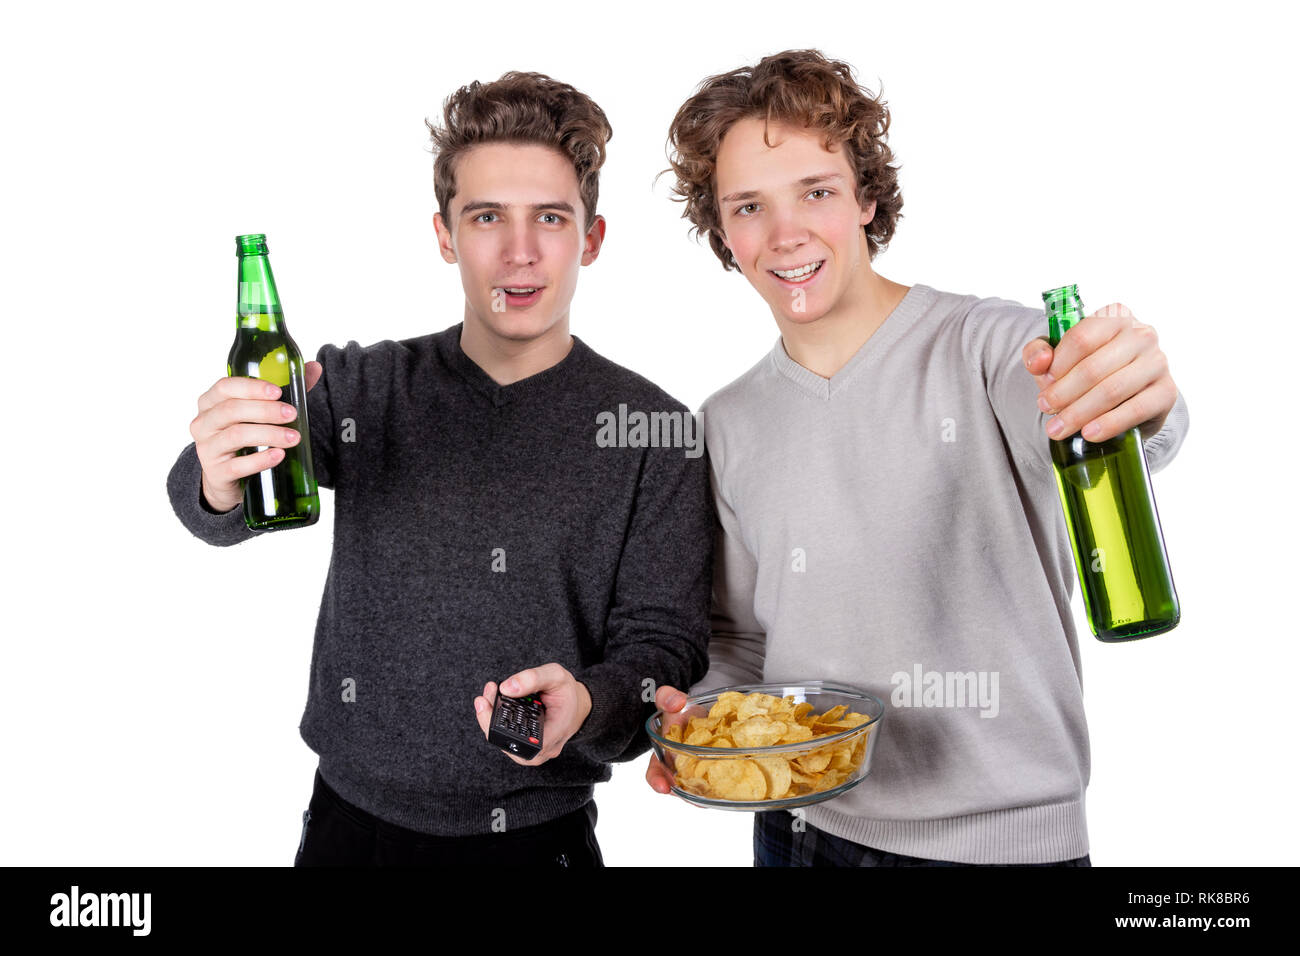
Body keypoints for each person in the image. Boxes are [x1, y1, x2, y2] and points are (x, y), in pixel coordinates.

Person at [645, 49, 1188, 867]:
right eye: (749, 206)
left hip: (1000, 850)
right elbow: (745, 638)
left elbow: (1102, 417)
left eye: (817, 192)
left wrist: (1136, 395)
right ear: (724, 231)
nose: (786, 235)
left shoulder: (991, 347)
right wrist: (706, 720)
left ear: (866, 197)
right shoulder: (725, 421)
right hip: (798, 833)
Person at [167, 71, 712, 867]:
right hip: (350, 831)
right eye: (487, 217)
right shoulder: (365, 386)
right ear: (445, 235)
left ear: (591, 239)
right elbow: (209, 503)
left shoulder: (657, 432)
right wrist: (218, 475)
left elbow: (665, 648)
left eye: (550, 218)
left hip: (538, 842)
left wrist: (590, 703)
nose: (519, 252)